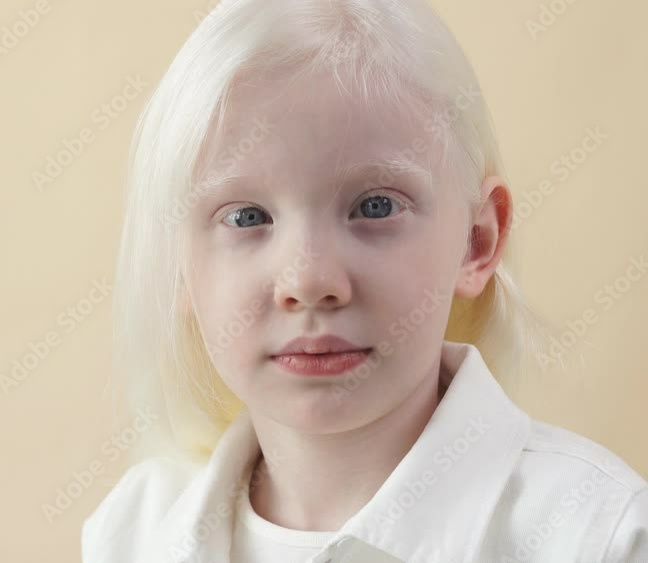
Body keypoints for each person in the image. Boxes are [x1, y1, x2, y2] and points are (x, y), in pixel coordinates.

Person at [82, 1, 648, 561]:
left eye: (376, 206)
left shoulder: (600, 535)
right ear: (177, 265)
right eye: (247, 217)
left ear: (475, 243)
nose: (308, 280)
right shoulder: (132, 532)